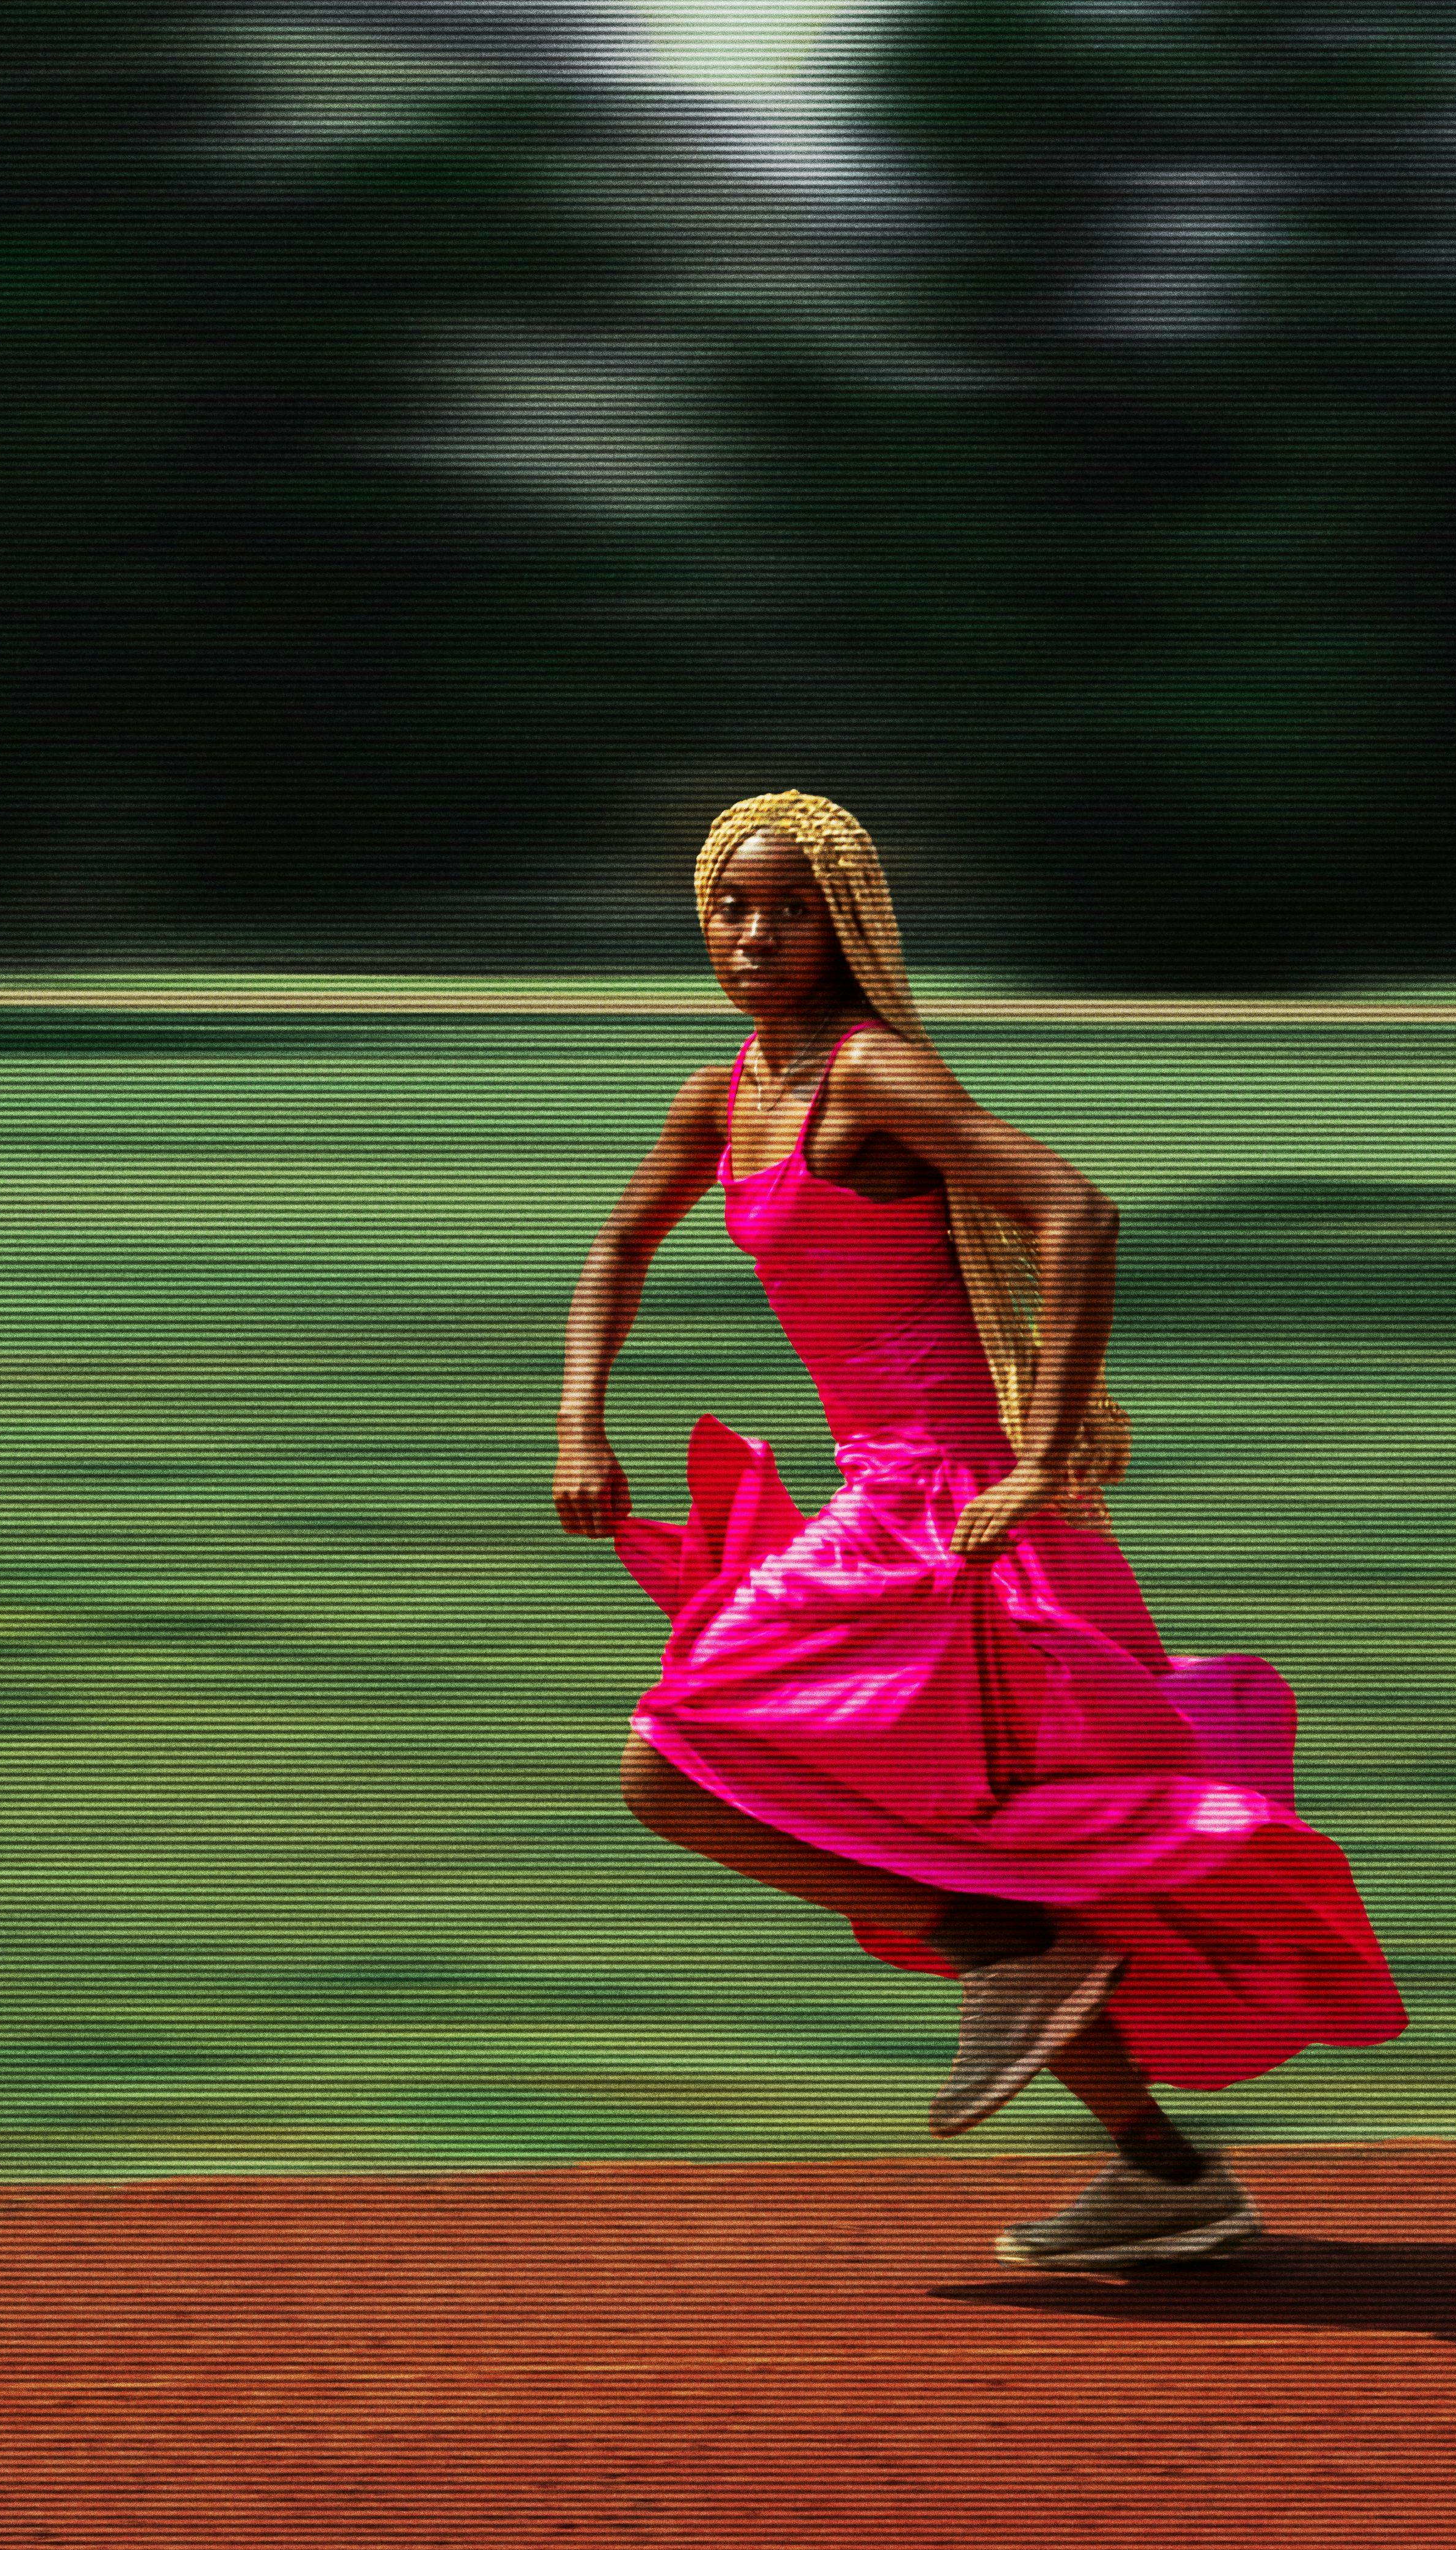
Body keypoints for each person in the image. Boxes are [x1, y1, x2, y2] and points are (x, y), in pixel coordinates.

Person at [553, 790, 1407, 2270]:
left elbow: (1077, 1212)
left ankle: (995, 1952)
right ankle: (1161, 2170)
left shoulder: (874, 1076)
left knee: (669, 1761)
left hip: (944, 1522)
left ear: (847, 924)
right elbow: (617, 1244)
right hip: (885, 1506)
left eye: (788, 908)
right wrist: (579, 1417)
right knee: (961, 1836)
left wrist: (1039, 1455)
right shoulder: (721, 1094)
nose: (753, 935)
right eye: (729, 907)